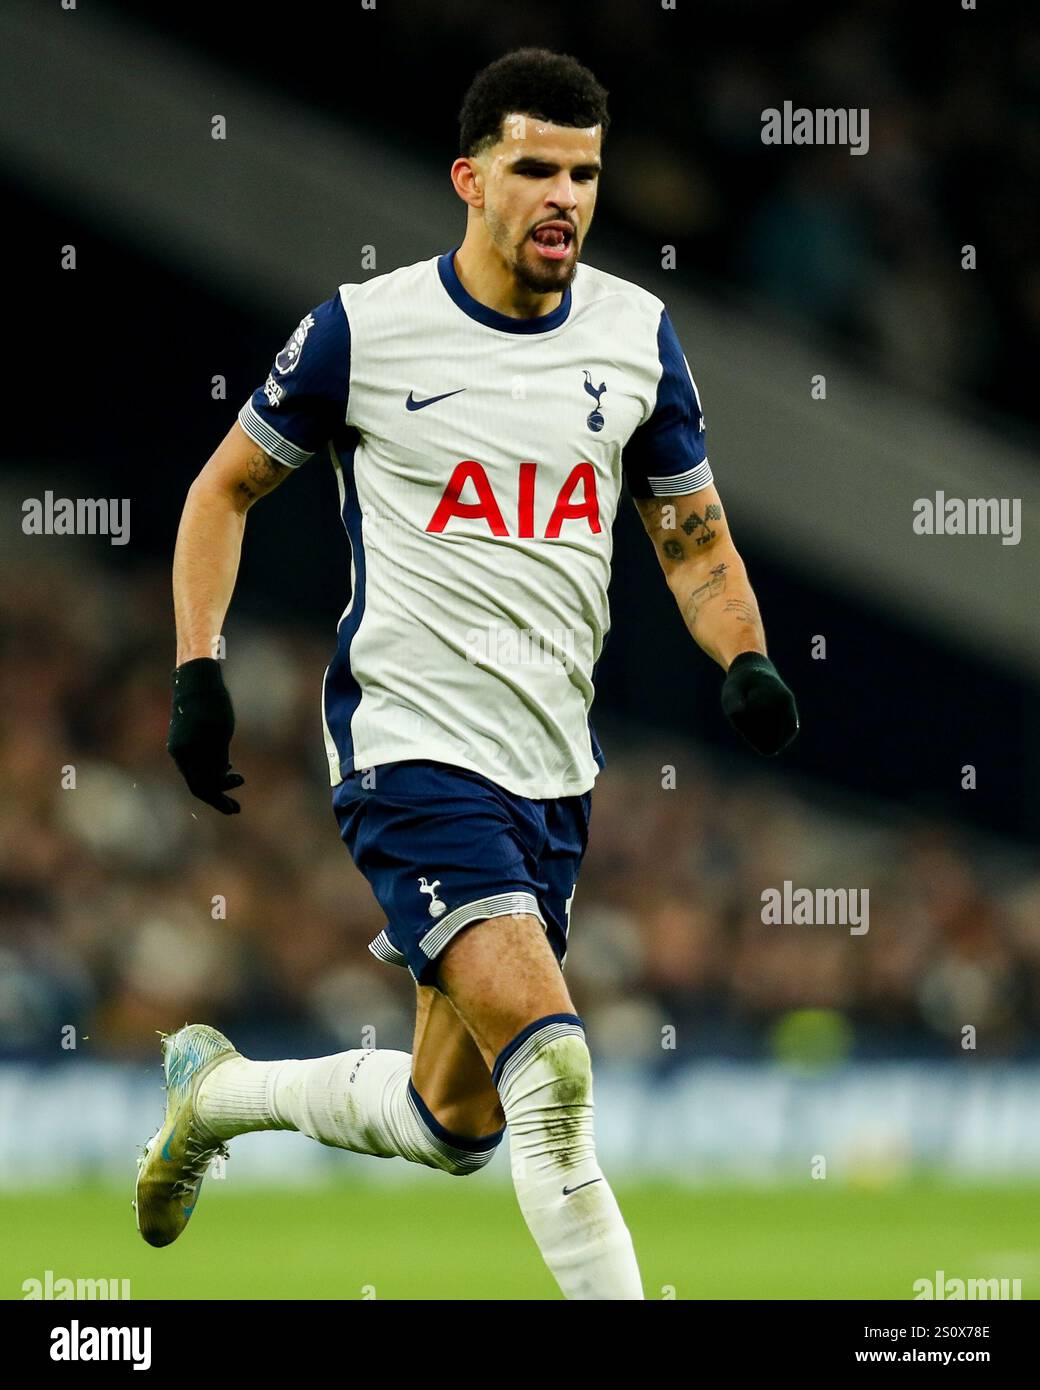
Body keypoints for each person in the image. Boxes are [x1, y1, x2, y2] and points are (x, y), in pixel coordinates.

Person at [136, 46, 799, 1300]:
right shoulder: (363, 331)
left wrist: (746, 657)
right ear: (469, 178)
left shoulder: (634, 334)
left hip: (550, 769)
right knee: (550, 1068)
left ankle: (214, 1095)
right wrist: (197, 667)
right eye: (533, 168)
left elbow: (692, 534)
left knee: (458, 1123)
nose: (563, 196)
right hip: (411, 746)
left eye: (585, 173)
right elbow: (221, 486)